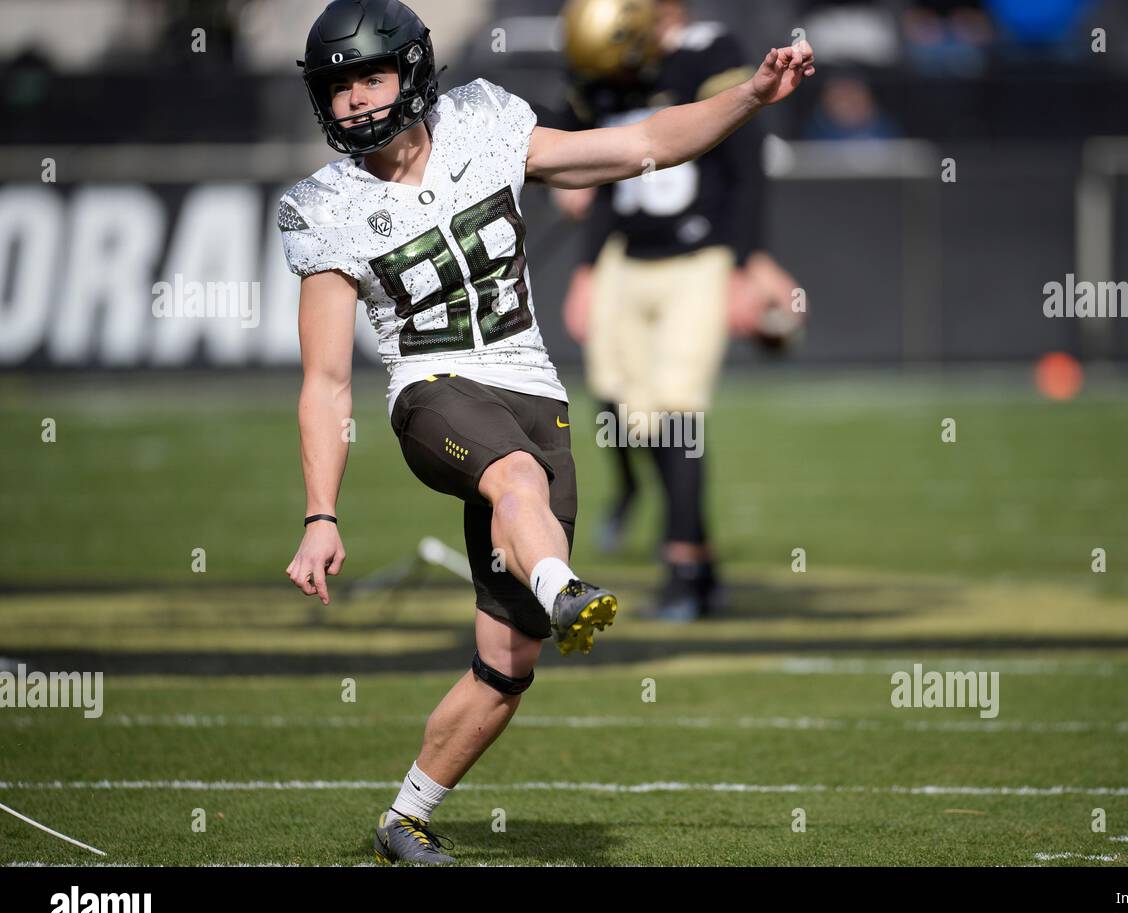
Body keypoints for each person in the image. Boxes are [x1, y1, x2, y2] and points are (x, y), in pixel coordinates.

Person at [279, 0, 814, 864]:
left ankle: (404, 817)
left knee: (507, 662)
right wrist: (320, 513)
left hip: (531, 386)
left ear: (412, 71)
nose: (353, 104)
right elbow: (326, 380)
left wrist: (750, 96)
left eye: (369, 78)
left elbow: (646, 144)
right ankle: (568, 588)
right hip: (431, 390)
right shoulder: (325, 206)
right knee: (515, 478)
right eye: (337, 89)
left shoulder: (487, 122)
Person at [557, 0, 803, 619]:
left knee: (676, 415)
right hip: (627, 256)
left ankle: (685, 564)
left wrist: (753, 260)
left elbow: (746, 159)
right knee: (618, 403)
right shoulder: (607, 66)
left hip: (698, 255)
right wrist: (586, 266)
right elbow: (589, 170)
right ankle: (674, 535)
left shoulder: (709, 54)